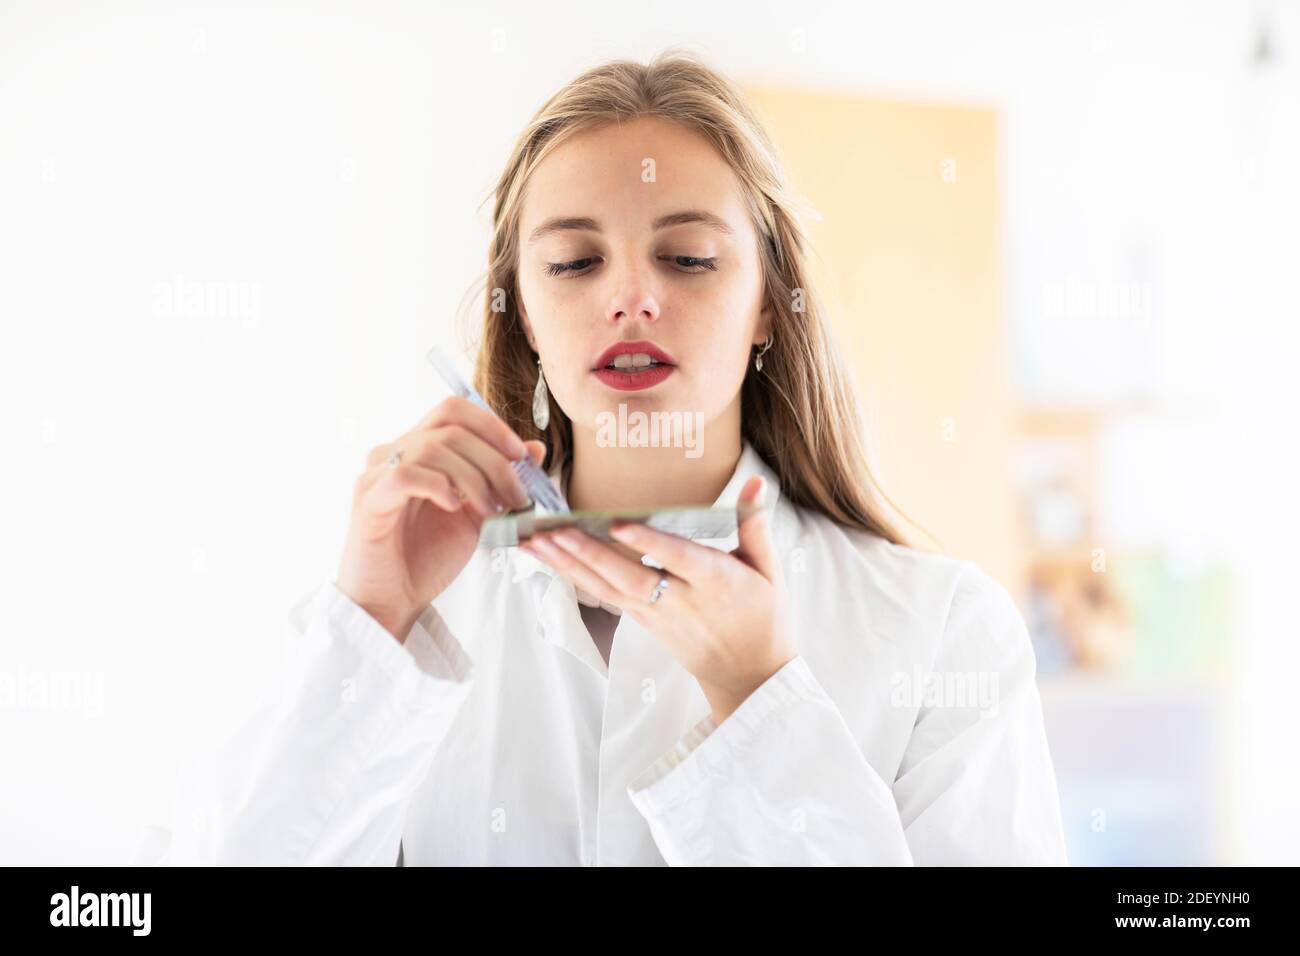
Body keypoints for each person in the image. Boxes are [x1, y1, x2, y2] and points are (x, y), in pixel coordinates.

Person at [158, 50, 1068, 866]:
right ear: (520, 307)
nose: (632, 298)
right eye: (573, 264)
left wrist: (761, 706)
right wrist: (371, 624)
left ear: (765, 306)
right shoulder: (421, 608)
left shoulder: (946, 633)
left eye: (686, 258)